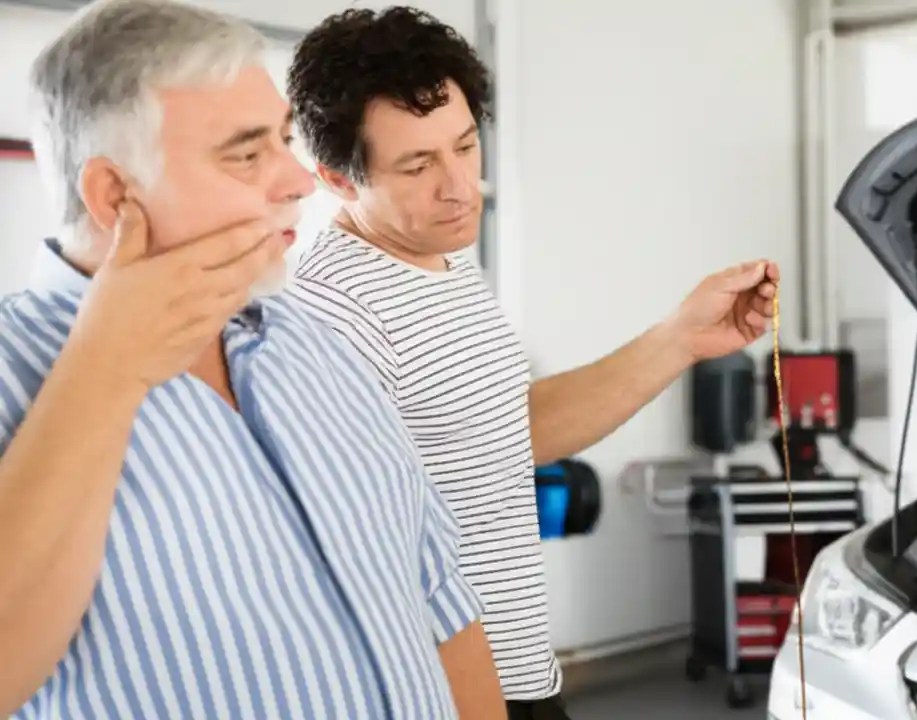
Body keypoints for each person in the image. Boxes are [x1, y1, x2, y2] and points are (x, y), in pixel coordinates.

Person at [0, 0, 504, 717]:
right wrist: (105, 366)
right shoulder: (11, 372)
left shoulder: (315, 347)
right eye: (245, 154)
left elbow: (439, 594)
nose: (297, 180)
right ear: (114, 195)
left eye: (284, 141)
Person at [286, 8, 780, 718]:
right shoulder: (335, 315)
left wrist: (681, 338)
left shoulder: (439, 257)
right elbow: (354, 558)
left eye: (464, 146)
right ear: (336, 176)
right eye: (418, 165)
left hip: (519, 674)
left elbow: (512, 429)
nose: (459, 186)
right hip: (443, 697)